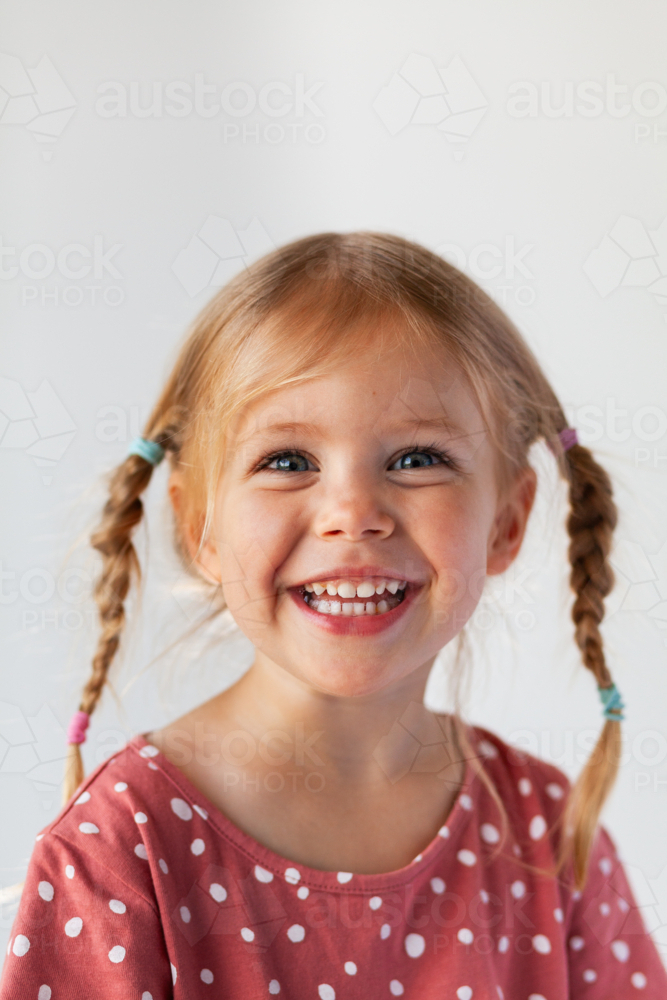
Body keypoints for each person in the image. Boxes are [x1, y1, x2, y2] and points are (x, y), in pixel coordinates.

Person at [1, 233, 665, 999]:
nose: (352, 514)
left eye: (416, 458)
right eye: (287, 462)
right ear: (199, 527)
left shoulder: (548, 836)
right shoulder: (121, 852)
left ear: (505, 523)